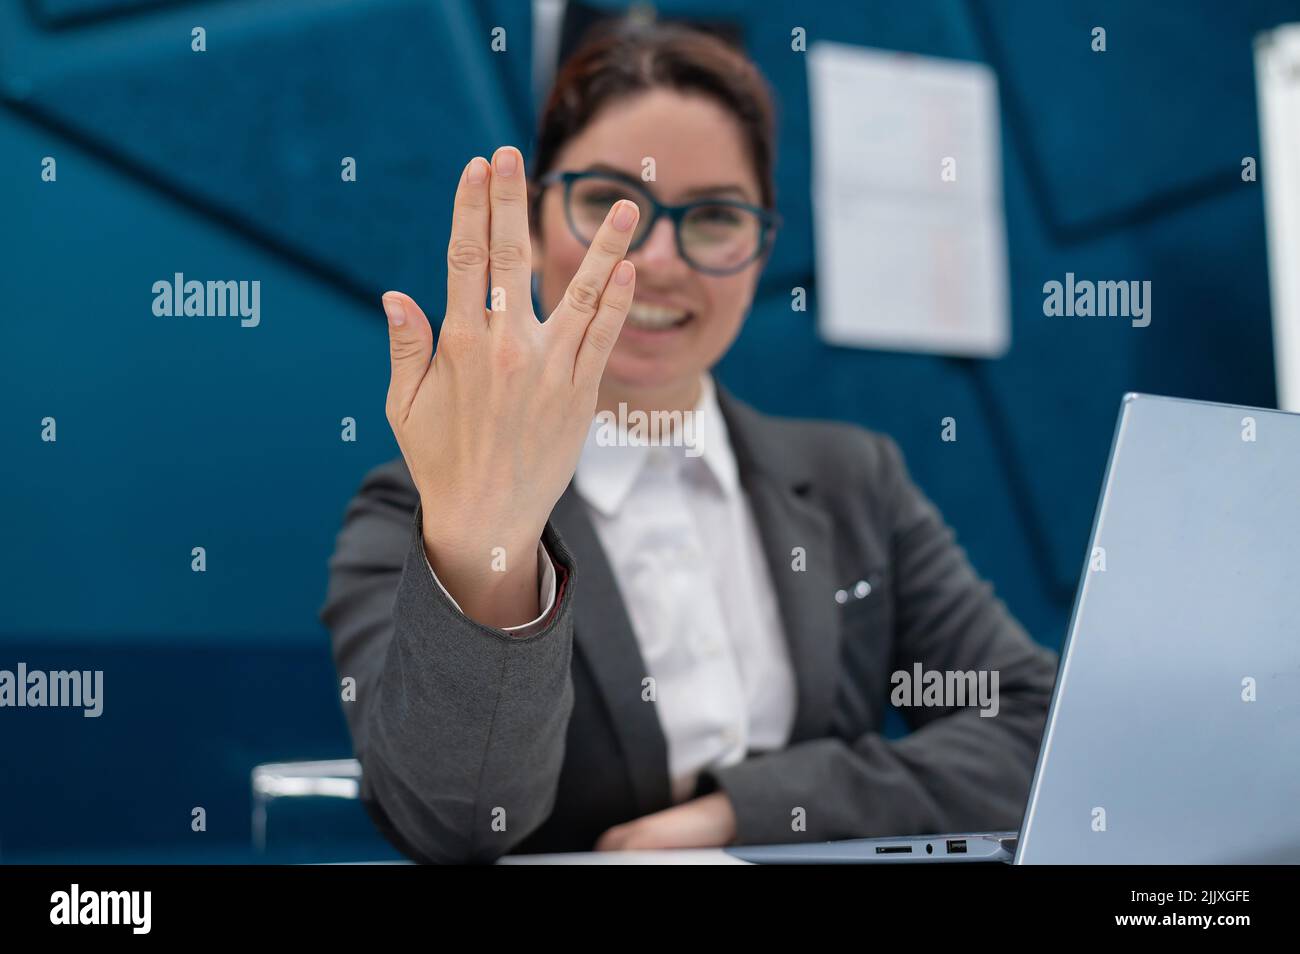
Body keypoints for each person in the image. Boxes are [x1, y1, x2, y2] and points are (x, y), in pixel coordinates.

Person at [320, 19, 1057, 864]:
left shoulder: (854, 480)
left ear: (761, 250)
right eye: (606, 204)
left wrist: (747, 812)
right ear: (531, 222)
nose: (658, 260)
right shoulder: (415, 506)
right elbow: (450, 824)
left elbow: (1029, 725)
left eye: (713, 216)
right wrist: (494, 535)